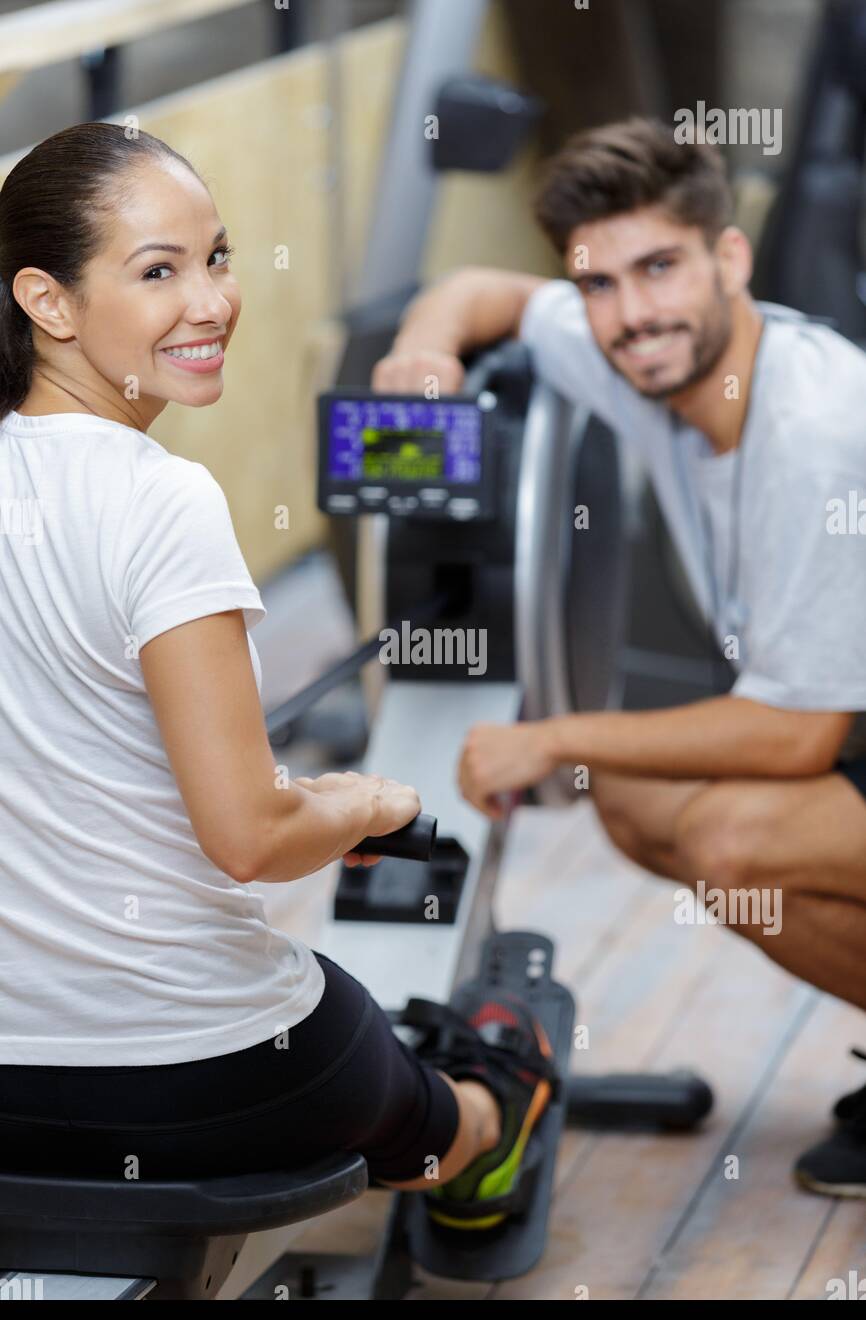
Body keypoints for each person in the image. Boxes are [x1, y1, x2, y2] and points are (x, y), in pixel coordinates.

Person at [0, 121, 554, 1230]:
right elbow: (252, 837)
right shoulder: (163, 499)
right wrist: (368, 800)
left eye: (217, 257)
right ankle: (493, 1118)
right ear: (48, 303)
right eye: (158, 271)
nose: (210, 303)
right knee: (426, 1119)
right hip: (203, 1064)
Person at [373, 115, 866, 1197]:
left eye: (657, 269)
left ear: (726, 259)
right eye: (598, 283)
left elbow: (794, 735)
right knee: (634, 798)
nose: (631, 312)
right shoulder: (650, 362)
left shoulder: (816, 432)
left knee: (729, 838)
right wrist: (425, 341)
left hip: (826, 731)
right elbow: (484, 291)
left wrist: (545, 737)